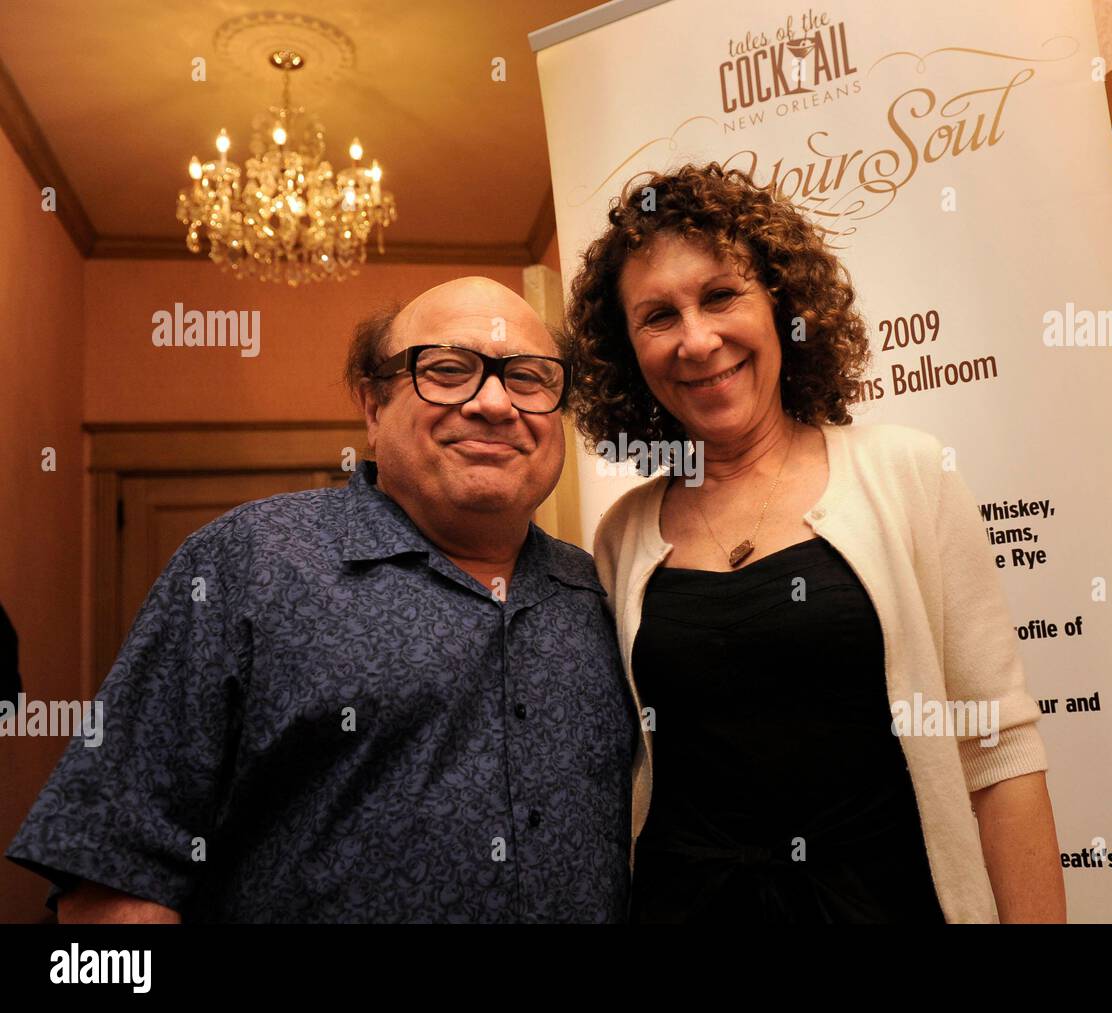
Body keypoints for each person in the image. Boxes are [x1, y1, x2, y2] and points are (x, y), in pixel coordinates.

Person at [6, 277, 638, 923]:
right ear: (372, 407)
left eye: (529, 377)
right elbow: (115, 874)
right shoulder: (245, 563)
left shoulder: (603, 595)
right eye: (448, 369)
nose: (496, 402)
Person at [562, 162, 1067, 923]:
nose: (697, 340)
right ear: (626, 350)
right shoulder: (622, 534)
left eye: (721, 295)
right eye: (658, 316)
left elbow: (999, 752)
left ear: (781, 304)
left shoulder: (907, 473)